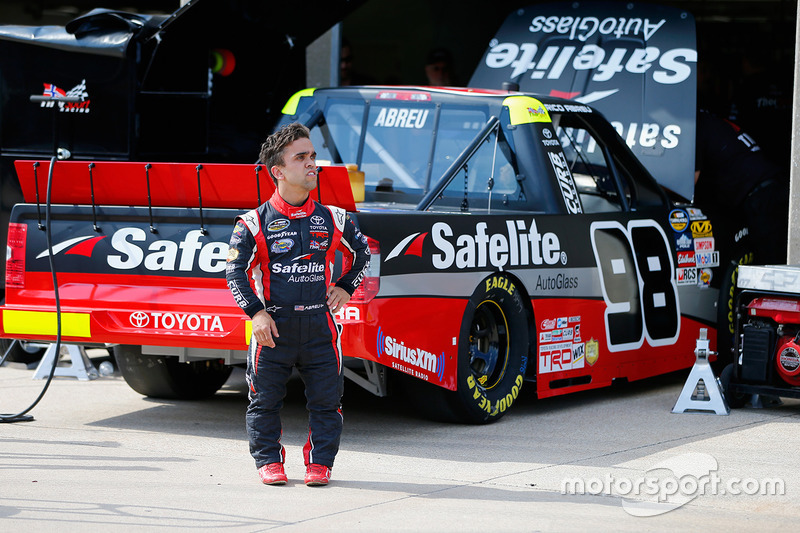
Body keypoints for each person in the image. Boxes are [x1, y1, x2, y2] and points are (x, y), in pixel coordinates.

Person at [226, 123, 370, 486]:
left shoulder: (334, 217)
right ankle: (268, 462)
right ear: (278, 171)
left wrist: (346, 286)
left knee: (327, 401)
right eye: (301, 157)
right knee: (264, 401)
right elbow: (234, 272)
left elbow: (363, 252)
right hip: (273, 327)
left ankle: (320, 463)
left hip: (321, 326)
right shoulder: (252, 222)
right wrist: (256, 313)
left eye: (313, 156)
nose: (312, 165)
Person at [694, 109, 789, 265]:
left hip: (763, 197)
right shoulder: (713, 121)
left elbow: (690, 181)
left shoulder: (697, 125)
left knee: (772, 265)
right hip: (770, 188)